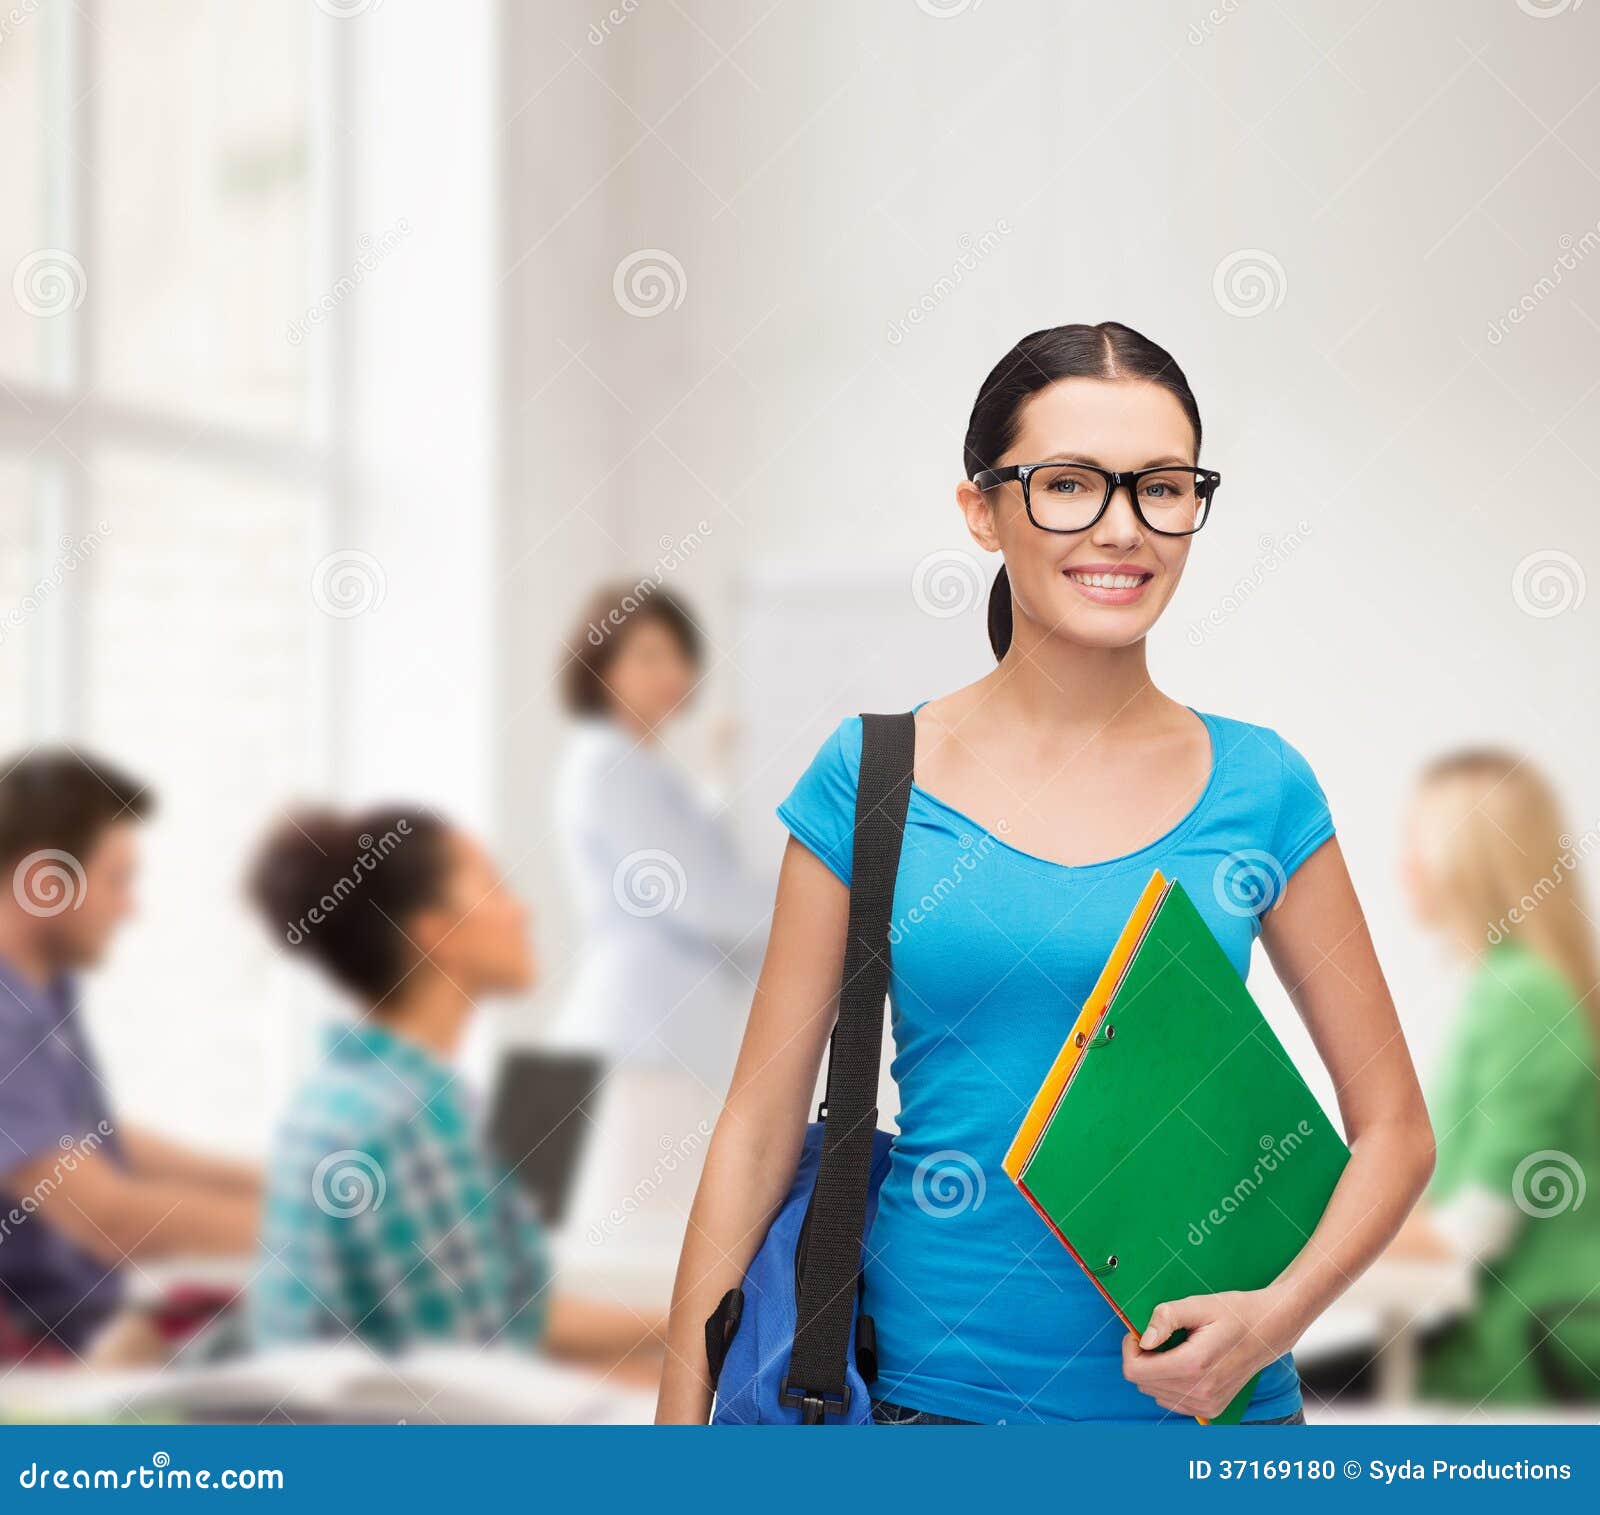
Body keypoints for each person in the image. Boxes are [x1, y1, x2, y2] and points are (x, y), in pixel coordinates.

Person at [657, 322, 1436, 1426]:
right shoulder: (871, 777)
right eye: (1068, 484)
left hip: (1217, 1435)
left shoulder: (1263, 786)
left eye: (1161, 488)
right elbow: (757, 1124)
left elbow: (1396, 1130)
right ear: (982, 510)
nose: (1121, 528)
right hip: (934, 1416)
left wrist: (1273, 1322)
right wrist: (668, 1442)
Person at [247, 804, 663, 1373]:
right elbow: (481, 1377)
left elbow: (515, 1320)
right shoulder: (408, 1120)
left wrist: (688, 1332)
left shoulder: (358, 1093)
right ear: (436, 934)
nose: (523, 910)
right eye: (494, 887)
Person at [0, 751, 259, 1359]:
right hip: (31, 1353)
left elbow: (94, 1142)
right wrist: (322, 1228)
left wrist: (283, 1181)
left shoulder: (44, 988)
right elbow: (108, 1218)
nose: (130, 909)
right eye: (117, 880)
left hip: (86, 1324)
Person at [548, 586, 768, 1270]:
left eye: (679, 654)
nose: (670, 671)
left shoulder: (633, 767)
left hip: (651, 1040)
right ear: (600, 664)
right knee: (644, 1260)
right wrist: (833, 899)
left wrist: (726, 771)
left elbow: (694, 861)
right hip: (642, 1043)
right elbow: (702, 894)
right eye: (646, 654)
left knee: (648, 1250)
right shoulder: (609, 763)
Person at [1387, 750, 1600, 1402]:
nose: (1403, 867)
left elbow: (1473, 1228)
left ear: (1470, 862)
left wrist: (1311, 1241)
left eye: (1418, 842)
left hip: (1523, 1363)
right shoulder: (1509, 987)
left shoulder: (1522, 995)